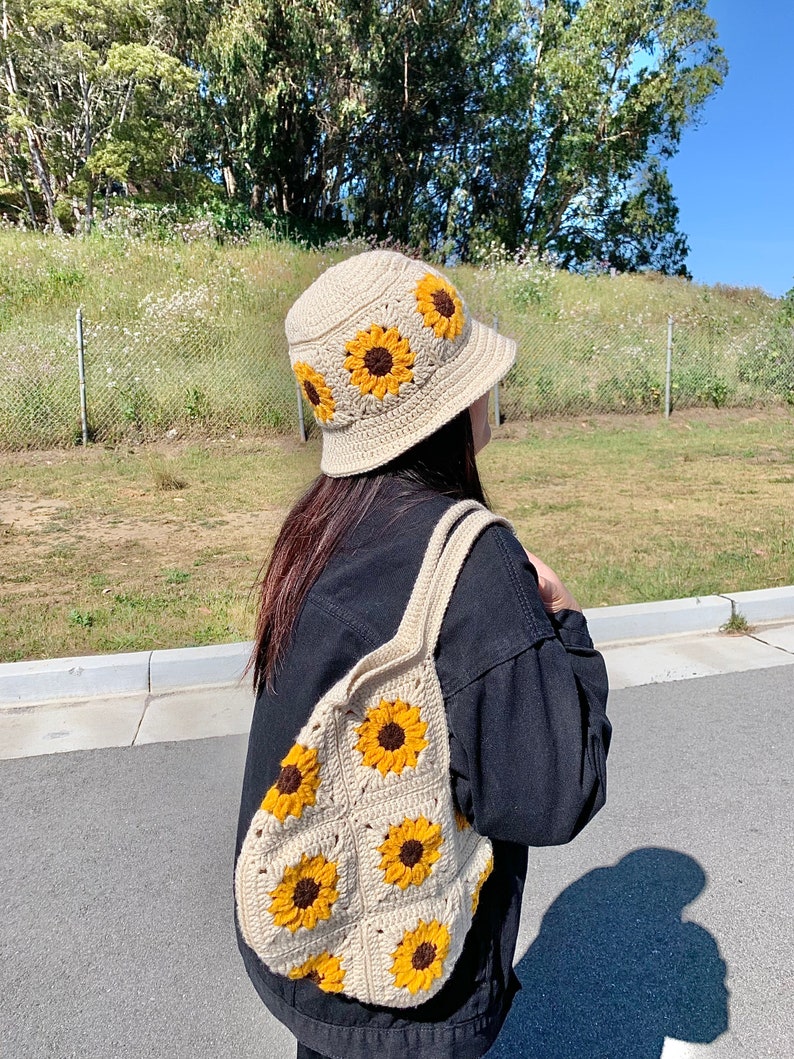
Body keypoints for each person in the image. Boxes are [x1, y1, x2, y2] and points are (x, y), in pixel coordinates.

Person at [235, 249, 611, 1059]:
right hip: (412, 992)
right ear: (440, 402)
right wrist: (566, 625)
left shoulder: (314, 534)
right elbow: (555, 791)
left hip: (319, 950)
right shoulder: (473, 567)